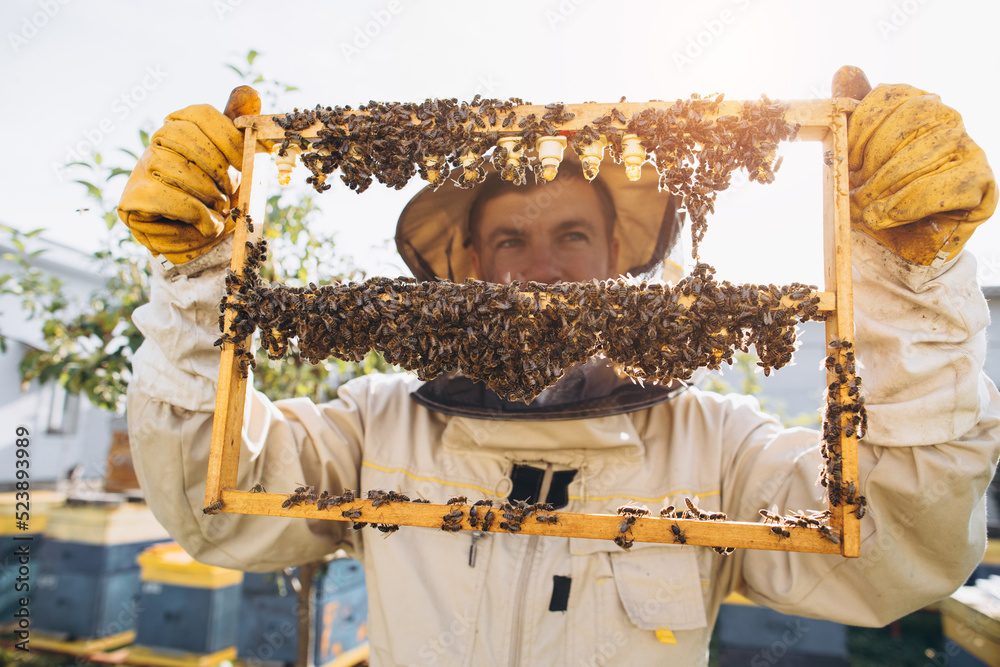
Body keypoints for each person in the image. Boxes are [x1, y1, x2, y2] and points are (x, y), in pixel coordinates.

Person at [118, 69, 1000, 665]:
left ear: (618, 251)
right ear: (466, 262)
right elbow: (213, 504)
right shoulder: (373, 425)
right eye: (512, 238)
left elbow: (894, 551)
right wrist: (199, 279)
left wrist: (904, 279)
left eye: (571, 234)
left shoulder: (718, 445)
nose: (542, 267)